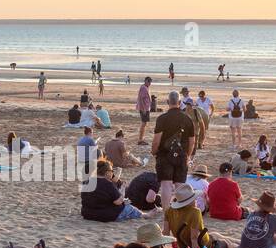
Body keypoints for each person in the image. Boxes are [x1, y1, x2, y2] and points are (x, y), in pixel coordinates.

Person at [151, 91, 196, 228]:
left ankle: (167, 214)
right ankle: (183, 212)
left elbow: (156, 141)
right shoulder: (187, 119)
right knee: (180, 185)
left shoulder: (162, 118)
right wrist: (188, 155)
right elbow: (192, 141)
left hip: (165, 155)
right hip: (181, 155)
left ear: (167, 102)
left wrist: (154, 152)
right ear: (179, 102)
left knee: (166, 185)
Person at [82, 160, 149, 222]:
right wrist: (123, 189)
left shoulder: (87, 182)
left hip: (87, 214)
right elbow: (118, 202)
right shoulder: (107, 184)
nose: (112, 173)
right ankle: (145, 215)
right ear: (107, 172)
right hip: (105, 216)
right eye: (112, 171)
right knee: (129, 208)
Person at [136, 77, 153, 144]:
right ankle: (140, 139)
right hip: (144, 108)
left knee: (144, 123)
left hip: (146, 108)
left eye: (150, 82)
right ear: (146, 81)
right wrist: (143, 109)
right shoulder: (143, 88)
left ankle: (141, 138)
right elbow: (141, 99)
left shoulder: (145, 87)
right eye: (148, 82)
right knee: (144, 123)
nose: (149, 83)